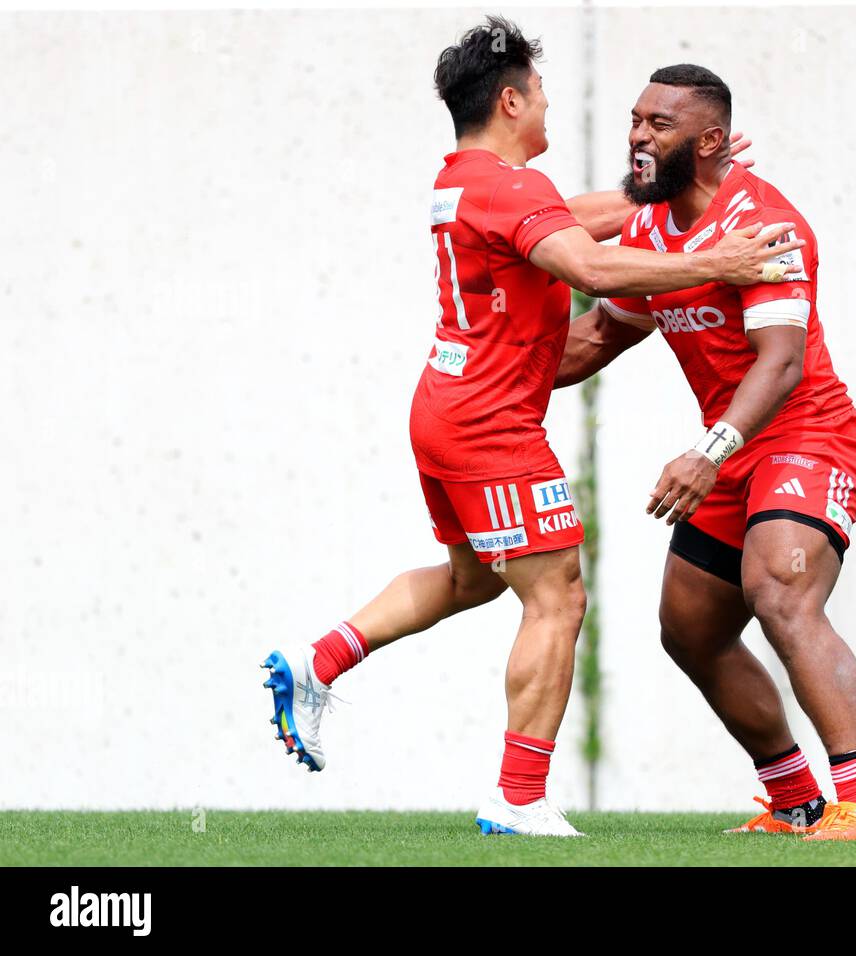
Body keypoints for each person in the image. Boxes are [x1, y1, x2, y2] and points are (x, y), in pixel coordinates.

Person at [259, 22, 803, 838]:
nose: (549, 104)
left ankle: (320, 660)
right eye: (540, 92)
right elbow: (590, 266)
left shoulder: (471, 179)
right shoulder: (510, 189)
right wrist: (717, 261)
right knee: (558, 595)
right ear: (511, 99)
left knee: (474, 578)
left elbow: (587, 215)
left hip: (447, 409)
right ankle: (517, 798)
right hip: (491, 425)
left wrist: (696, 176)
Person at [556, 64, 856, 841]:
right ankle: (797, 803)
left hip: (807, 433)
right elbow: (597, 337)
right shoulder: (648, 227)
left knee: (779, 589)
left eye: (659, 125)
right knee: (690, 629)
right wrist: (496, 377)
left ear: (710, 139)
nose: (637, 136)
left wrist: (708, 451)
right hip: (732, 448)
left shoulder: (766, 224)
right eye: (635, 120)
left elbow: (780, 363)